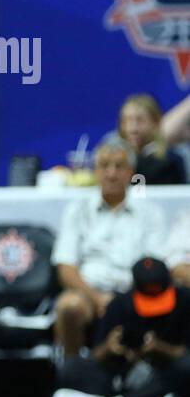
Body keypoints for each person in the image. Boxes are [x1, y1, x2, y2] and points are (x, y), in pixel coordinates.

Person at [52, 139, 166, 359]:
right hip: (89, 292)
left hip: (135, 292)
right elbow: (66, 268)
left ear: (132, 172)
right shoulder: (77, 211)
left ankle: (145, 380)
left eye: (119, 166)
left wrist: (126, 301)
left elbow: (156, 266)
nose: (112, 174)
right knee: (69, 306)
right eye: (104, 166)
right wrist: (97, 298)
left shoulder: (151, 213)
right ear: (95, 171)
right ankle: (74, 372)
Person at [53, 257, 190, 397]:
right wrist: (109, 348)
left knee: (184, 369)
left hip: (164, 374)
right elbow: (95, 356)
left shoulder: (184, 300)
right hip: (124, 375)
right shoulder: (119, 304)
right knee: (71, 368)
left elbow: (185, 353)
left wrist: (160, 348)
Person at [103, 93, 186, 185]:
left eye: (140, 120)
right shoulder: (113, 161)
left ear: (155, 123)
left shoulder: (171, 161)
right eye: (128, 120)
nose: (133, 128)